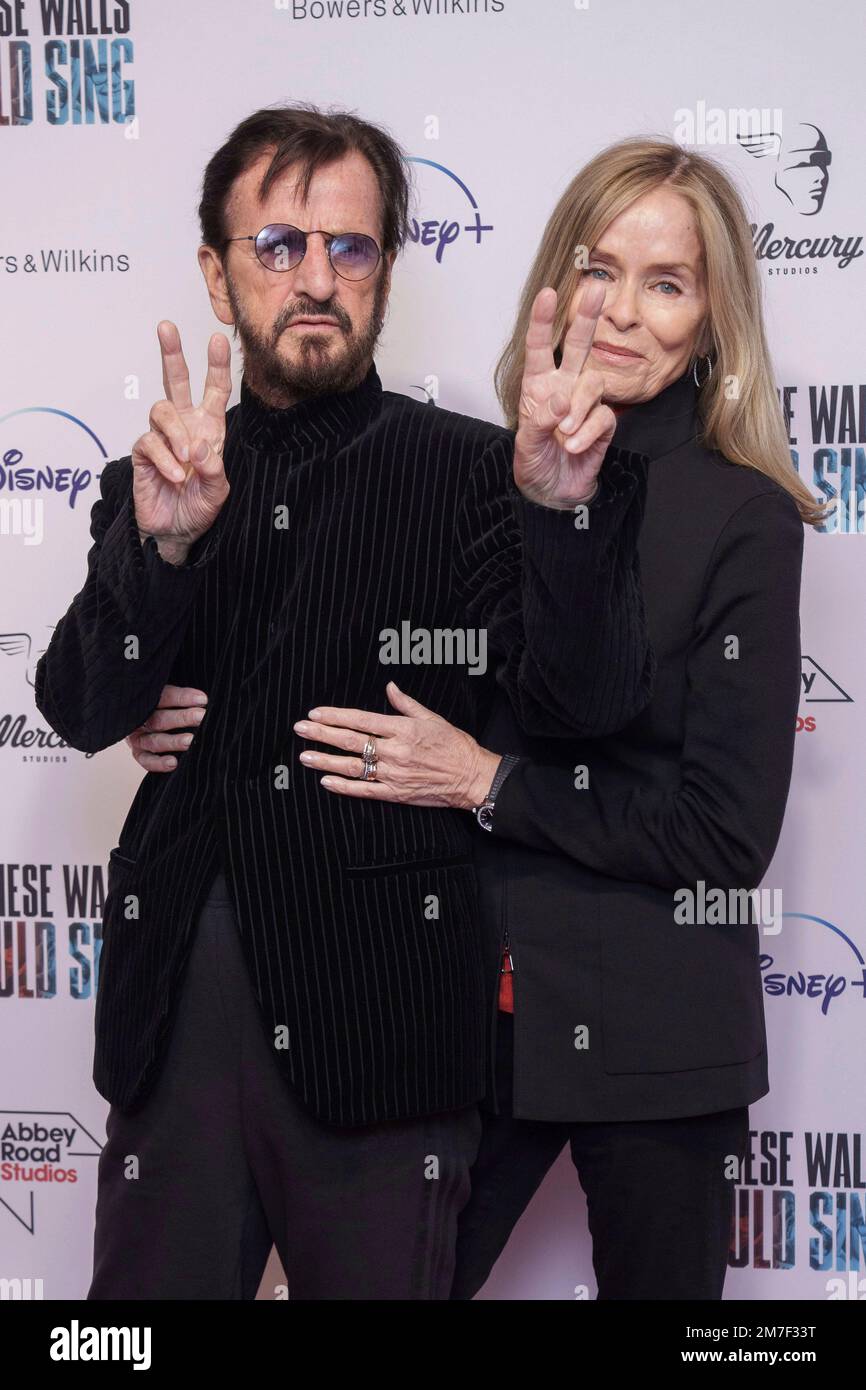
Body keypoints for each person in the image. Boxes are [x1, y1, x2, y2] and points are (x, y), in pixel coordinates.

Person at [139, 137, 814, 1301]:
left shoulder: (742, 518)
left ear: (710, 322)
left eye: (668, 283)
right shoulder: (468, 470)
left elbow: (721, 838)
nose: (621, 311)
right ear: (555, 278)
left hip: (656, 1047)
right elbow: (349, 676)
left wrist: (486, 782)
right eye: (599, 269)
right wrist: (176, 713)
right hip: (454, 1026)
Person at [34, 105, 653, 1300]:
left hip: (383, 1039)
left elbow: (584, 703)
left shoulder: (483, 471)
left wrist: (560, 514)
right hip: (175, 1038)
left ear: (383, 273)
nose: (316, 278)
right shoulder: (154, 475)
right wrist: (155, 556)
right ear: (217, 276)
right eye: (278, 247)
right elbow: (74, 703)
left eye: (351, 248)